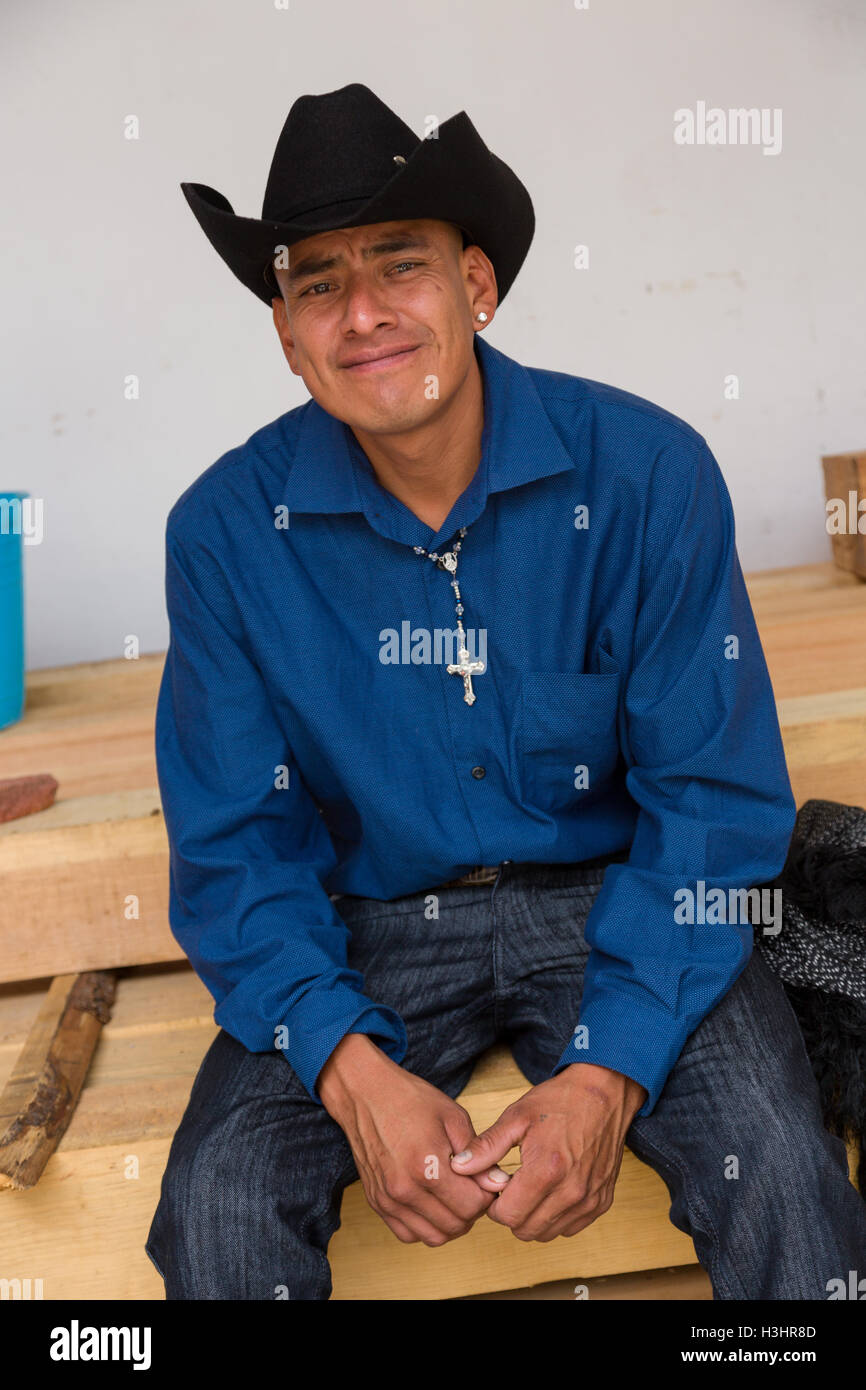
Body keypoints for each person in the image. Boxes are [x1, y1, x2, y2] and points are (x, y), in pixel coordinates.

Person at [145, 83, 866, 1299]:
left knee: (785, 1169)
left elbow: (710, 802)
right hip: (365, 926)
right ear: (285, 331)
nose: (361, 312)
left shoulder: (645, 476)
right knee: (216, 1200)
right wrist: (346, 1066)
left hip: (619, 902)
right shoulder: (224, 531)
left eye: (398, 266)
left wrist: (608, 1072)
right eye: (317, 283)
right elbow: (236, 851)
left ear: (476, 286)